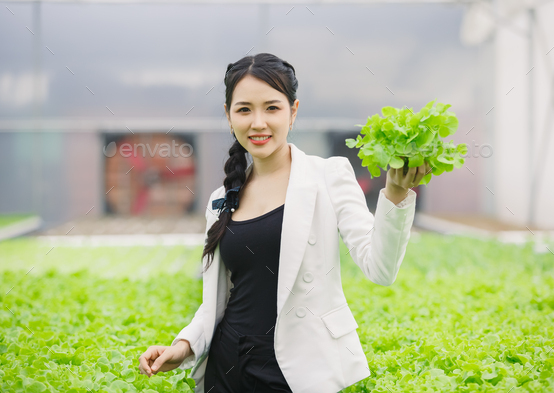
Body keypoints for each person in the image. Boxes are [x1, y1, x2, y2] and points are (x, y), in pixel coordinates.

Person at [138, 52, 430, 392]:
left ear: (293, 112)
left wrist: (395, 194)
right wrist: (183, 346)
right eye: (244, 109)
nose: (258, 122)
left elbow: (380, 268)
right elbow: (216, 301)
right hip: (227, 368)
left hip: (297, 373)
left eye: (272, 108)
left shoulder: (328, 175)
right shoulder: (221, 199)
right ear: (229, 116)